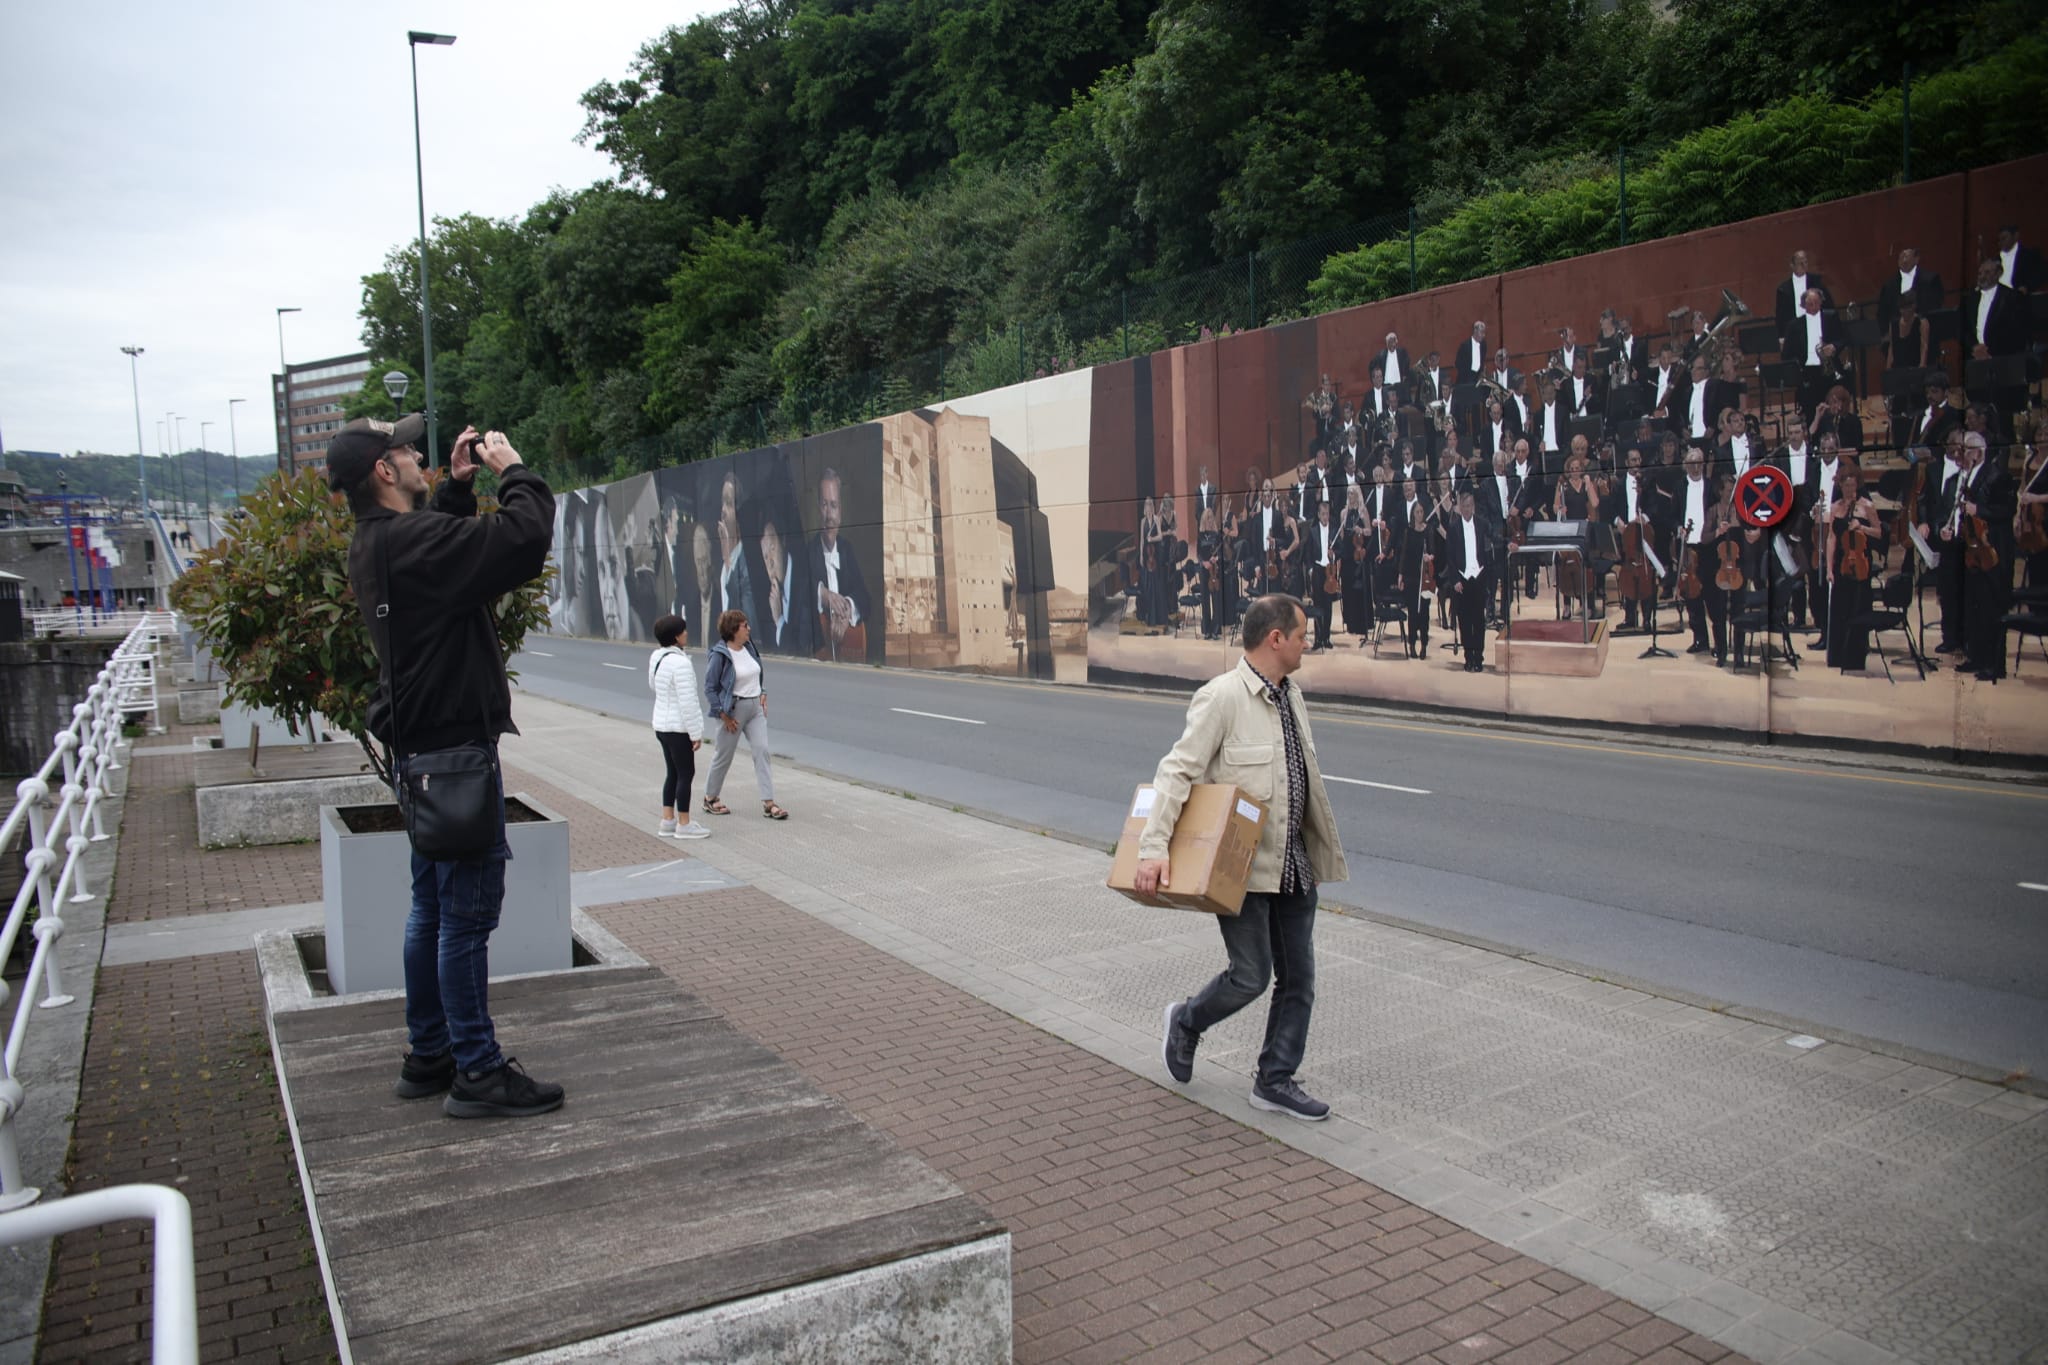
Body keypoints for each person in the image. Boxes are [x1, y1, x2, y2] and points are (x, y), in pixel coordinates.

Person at [328, 412, 564, 1120]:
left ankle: (428, 1051)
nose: (416, 454)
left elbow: (445, 572)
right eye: (403, 449)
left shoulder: (377, 543)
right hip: (459, 754)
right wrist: (512, 470)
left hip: (421, 754)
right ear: (383, 472)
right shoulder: (411, 541)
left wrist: (455, 493)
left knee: (430, 907)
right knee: (464, 917)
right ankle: (477, 1068)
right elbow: (519, 543)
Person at [1146, 595, 1349, 1122]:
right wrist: (1153, 849)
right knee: (1251, 976)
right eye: (1302, 634)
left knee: (1299, 980)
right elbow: (1177, 772)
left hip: (1295, 864)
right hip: (1243, 868)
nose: (1309, 642)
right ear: (1275, 639)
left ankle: (1275, 1079)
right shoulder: (1222, 698)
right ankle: (1187, 1022)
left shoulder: (1291, 696)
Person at [702, 610, 788, 820]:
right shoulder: (720, 655)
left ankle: (769, 803)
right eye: (744, 626)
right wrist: (724, 716)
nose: (749, 629)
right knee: (724, 755)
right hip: (733, 712)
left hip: (755, 709)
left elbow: (756, 674)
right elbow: (710, 688)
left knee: (762, 751)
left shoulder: (749, 647)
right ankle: (710, 798)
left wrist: (763, 693)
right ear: (733, 630)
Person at [648, 612, 709, 839]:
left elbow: (653, 686)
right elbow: (688, 702)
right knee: (686, 773)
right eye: (683, 631)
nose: (686, 634)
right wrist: (696, 733)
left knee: (672, 772)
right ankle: (684, 823)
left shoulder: (657, 657)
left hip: (661, 725)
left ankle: (667, 820)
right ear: (676, 637)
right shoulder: (681, 663)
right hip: (678, 727)